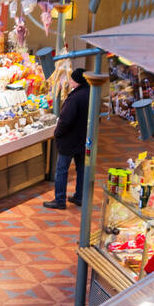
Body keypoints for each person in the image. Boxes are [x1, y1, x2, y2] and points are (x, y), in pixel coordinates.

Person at [43, 67, 90, 209]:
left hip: (69, 140)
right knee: (81, 168)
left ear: (77, 81)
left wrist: (57, 132)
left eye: (71, 79)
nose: (69, 81)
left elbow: (66, 120)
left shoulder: (74, 98)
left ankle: (59, 200)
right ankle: (80, 196)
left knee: (62, 169)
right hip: (83, 139)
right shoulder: (90, 93)